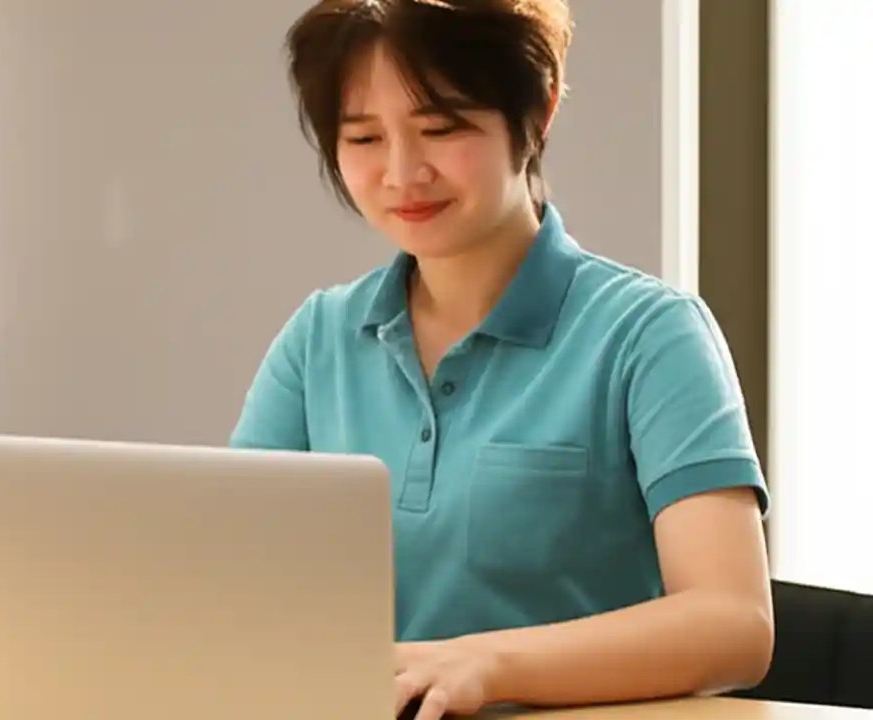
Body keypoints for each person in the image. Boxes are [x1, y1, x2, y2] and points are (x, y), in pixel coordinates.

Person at [229, 0, 774, 717]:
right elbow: (231, 578)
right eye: (362, 137)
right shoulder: (320, 337)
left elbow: (733, 624)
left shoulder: (650, 333)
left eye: (442, 128)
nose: (401, 173)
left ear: (538, 110)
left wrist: (487, 664)